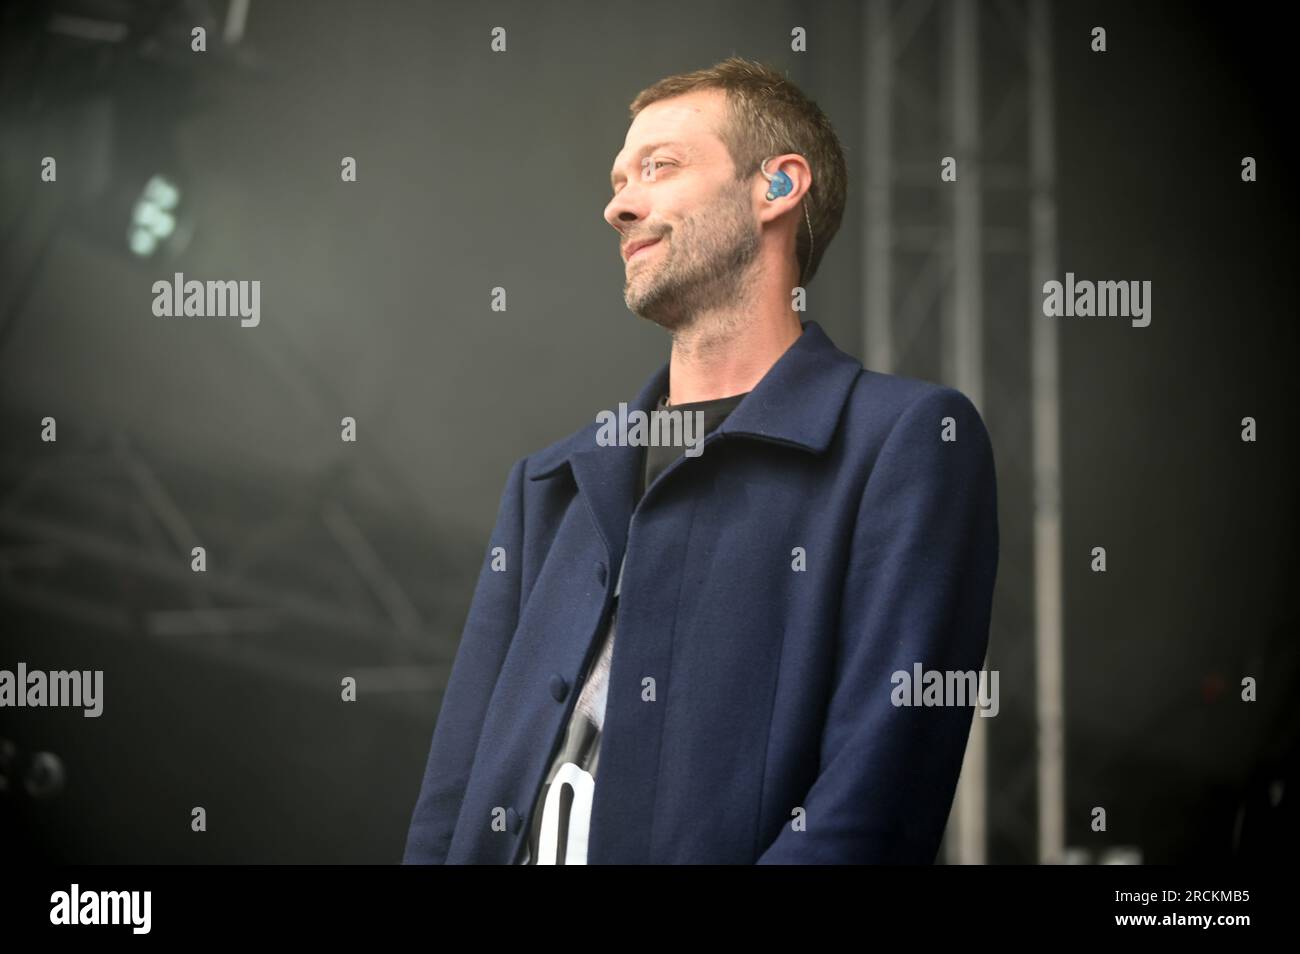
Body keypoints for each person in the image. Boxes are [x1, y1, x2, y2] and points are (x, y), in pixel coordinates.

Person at [402, 56, 999, 865]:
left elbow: (873, 804)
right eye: (618, 179)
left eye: (659, 166)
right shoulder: (551, 484)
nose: (619, 205)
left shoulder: (905, 442)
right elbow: (450, 797)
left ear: (778, 188)